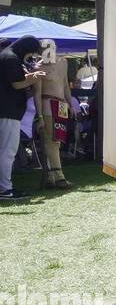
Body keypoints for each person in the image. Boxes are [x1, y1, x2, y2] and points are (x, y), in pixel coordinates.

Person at [1, 37, 46, 201]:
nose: (31, 56)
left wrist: (32, 75)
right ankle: (5, 189)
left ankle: (5, 188)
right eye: (31, 52)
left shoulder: (7, 55)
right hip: (8, 113)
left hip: (7, 112)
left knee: (5, 151)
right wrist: (36, 78)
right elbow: (17, 84)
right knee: (8, 152)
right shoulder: (11, 58)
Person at [35, 54, 77, 189]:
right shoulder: (39, 66)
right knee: (51, 141)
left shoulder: (62, 62)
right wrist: (40, 116)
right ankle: (58, 177)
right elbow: (37, 93)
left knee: (56, 141)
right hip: (48, 104)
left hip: (61, 105)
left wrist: (71, 104)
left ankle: (51, 177)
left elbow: (65, 85)